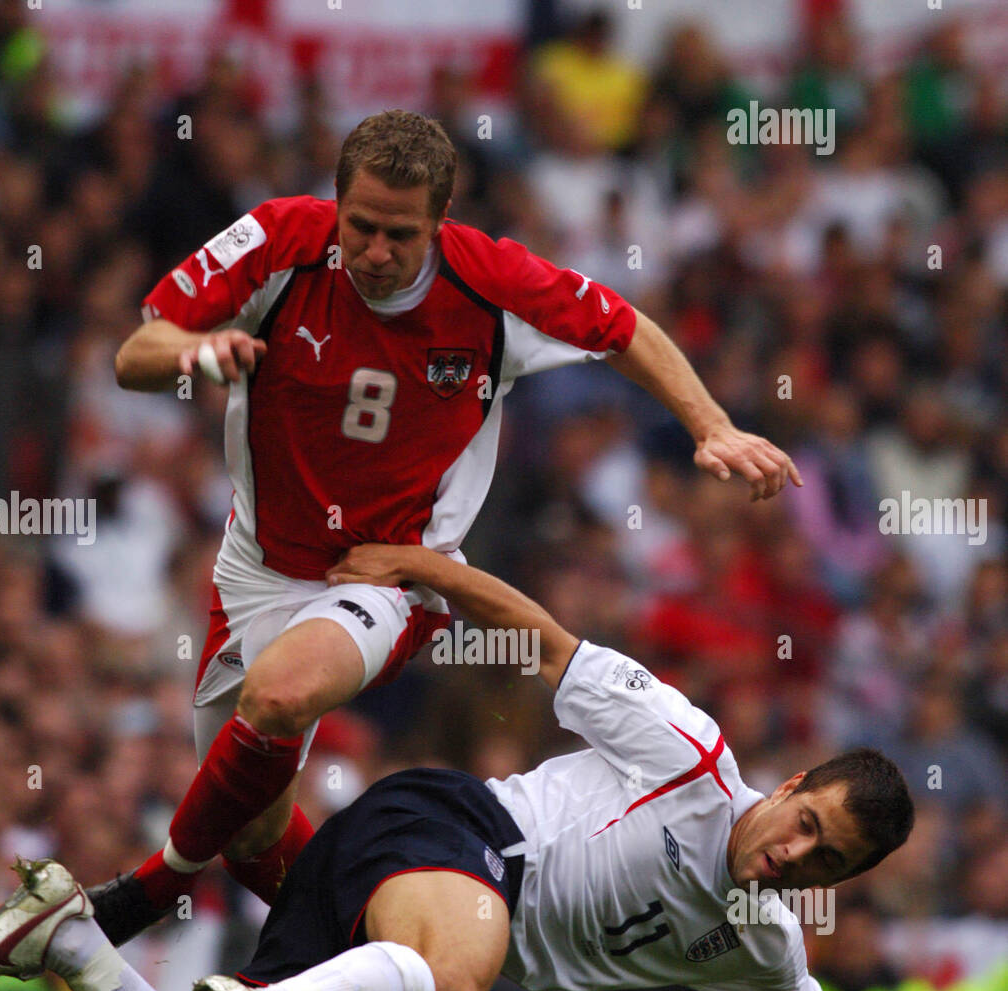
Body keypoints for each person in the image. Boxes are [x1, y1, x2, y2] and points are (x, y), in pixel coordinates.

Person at [0, 544, 964, 991]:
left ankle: (72, 940)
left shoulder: (761, 937)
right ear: (789, 783)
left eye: (818, 860)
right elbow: (544, 640)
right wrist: (422, 562)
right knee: (454, 990)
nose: (789, 854)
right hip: (445, 826)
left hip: (408, 913)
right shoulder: (688, 749)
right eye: (801, 821)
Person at [91, 107, 800, 943]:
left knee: (278, 696)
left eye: (400, 234)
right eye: (360, 227)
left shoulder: (492, 283)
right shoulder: (278, 240)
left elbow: (623, 328)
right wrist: (189, 352)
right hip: (255, 567)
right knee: (249, 830)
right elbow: (134, 352)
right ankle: (361, 955)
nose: (376, 253)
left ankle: (144, 892)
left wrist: (709, 425)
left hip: (390, 574)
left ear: (439, 224)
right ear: (335, 204)